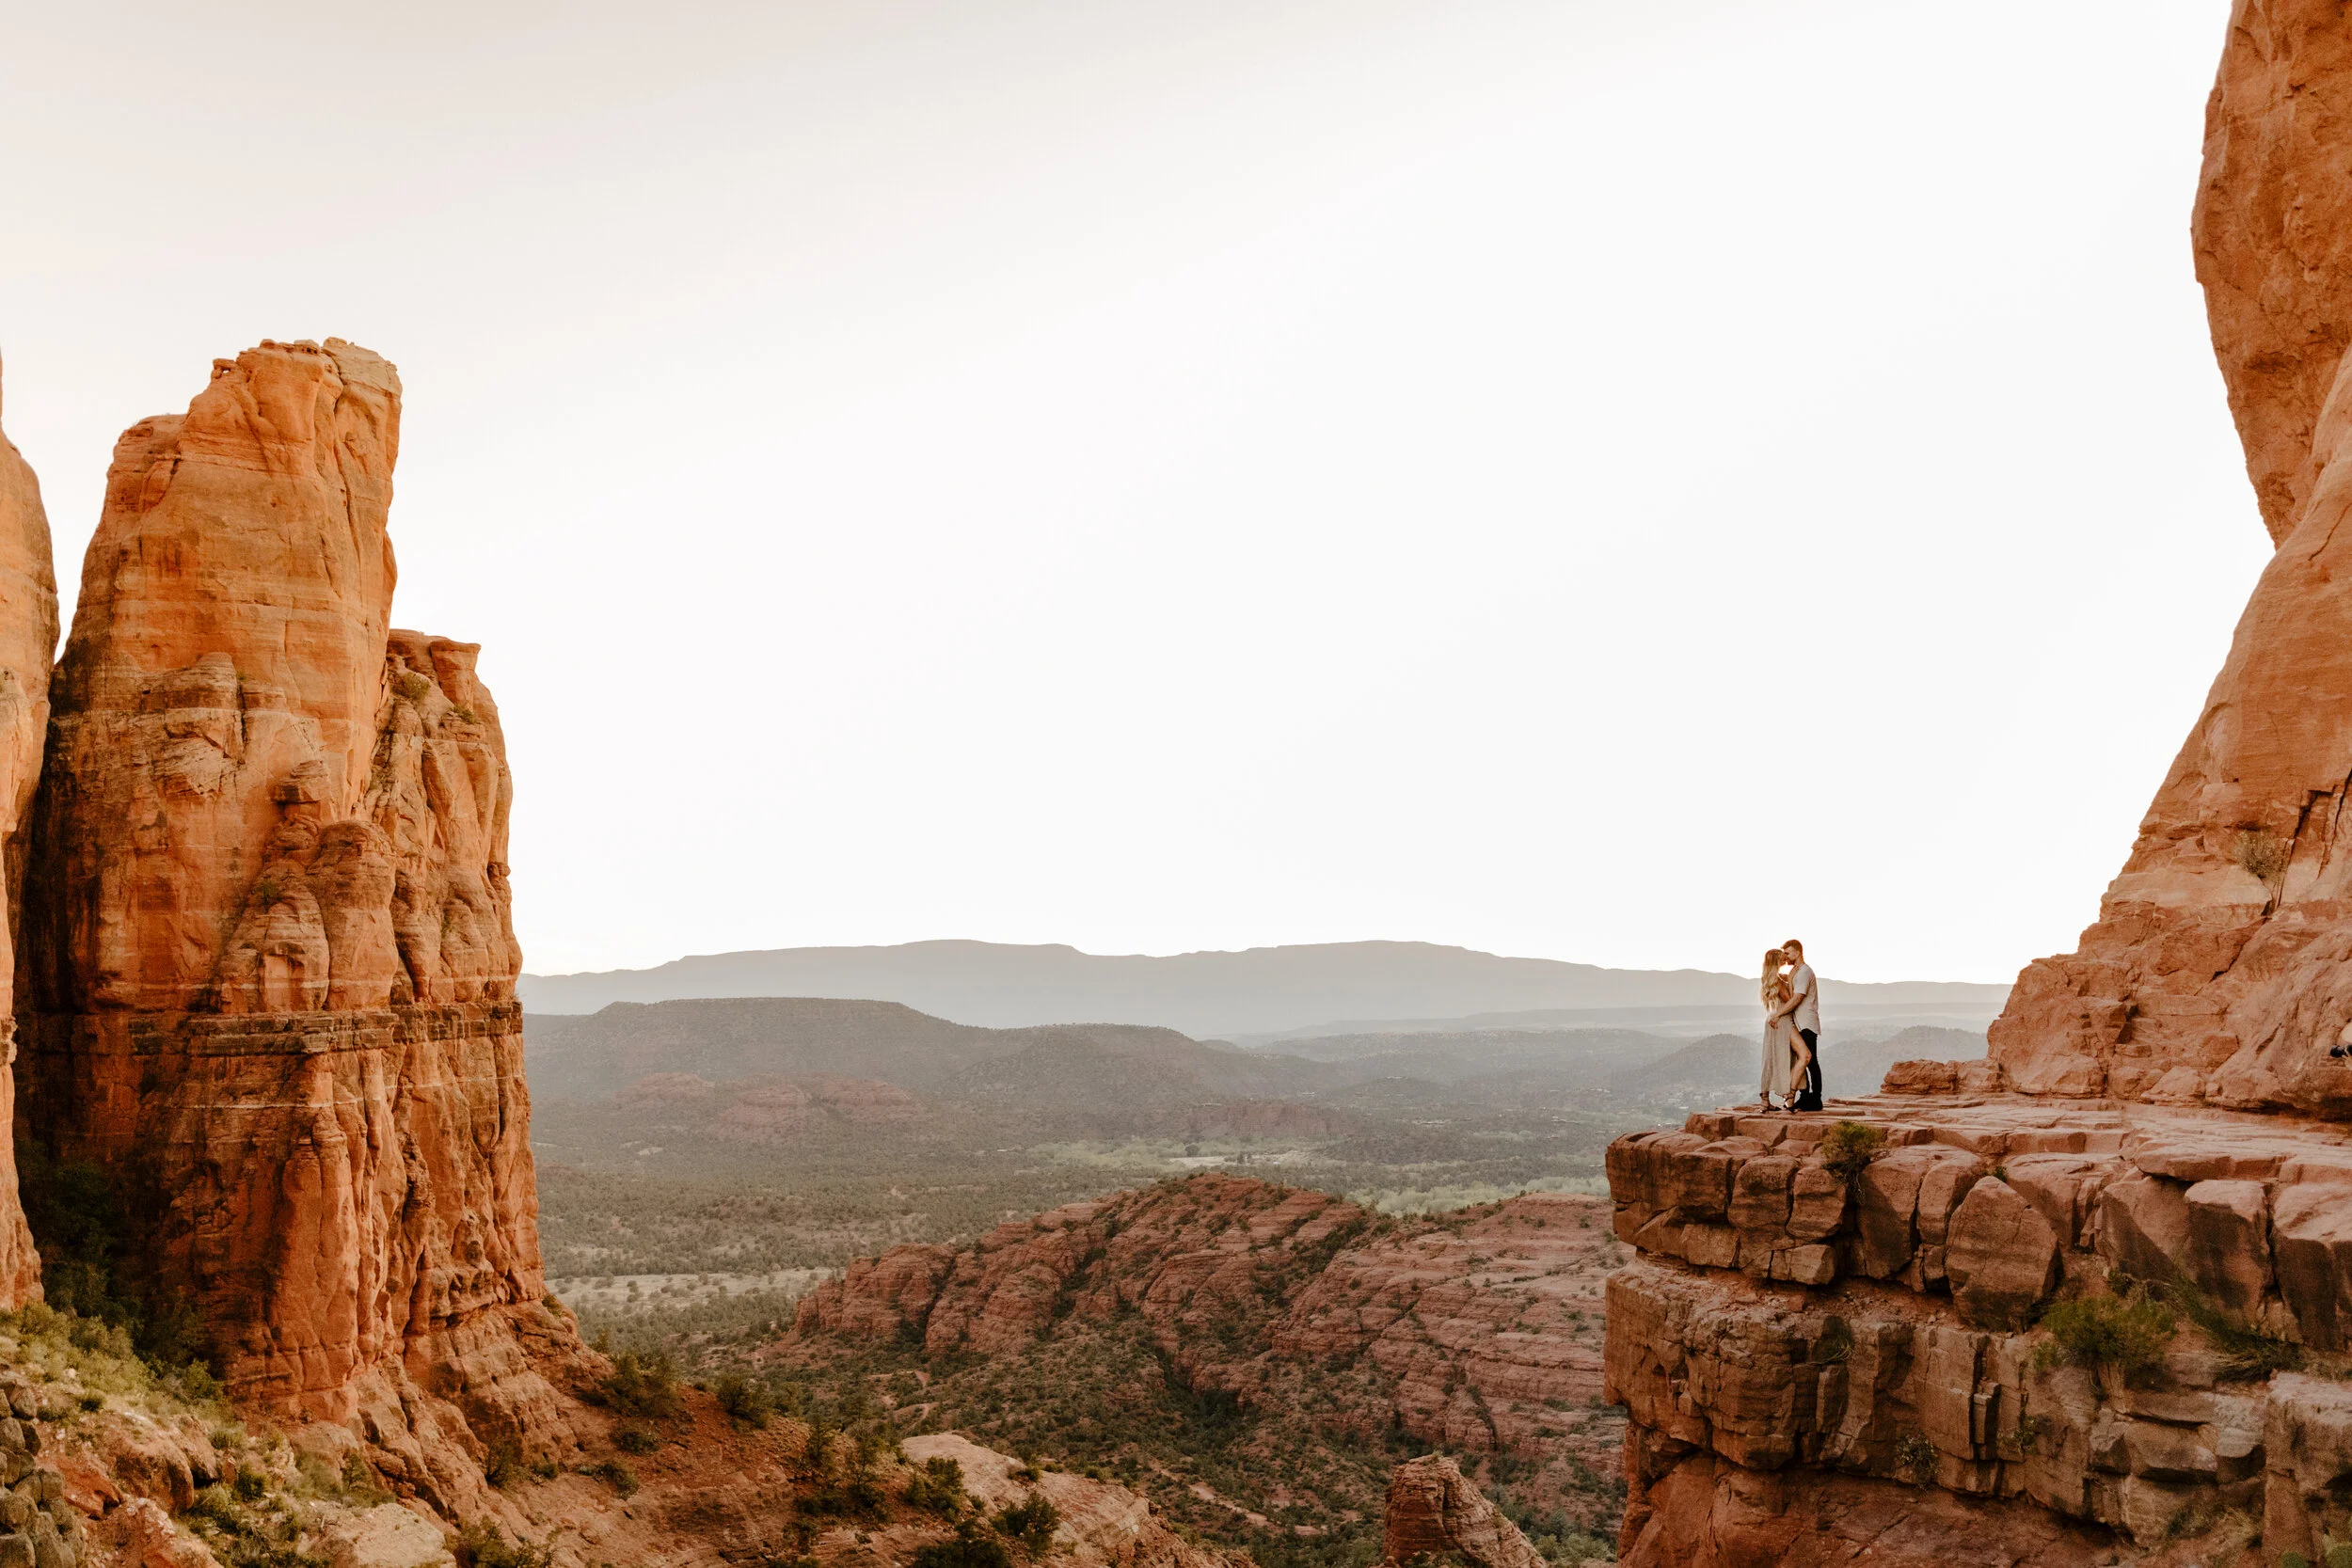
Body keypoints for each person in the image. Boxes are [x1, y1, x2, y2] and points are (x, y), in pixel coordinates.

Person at [1778, 937, 1822, 1111]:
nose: (1786, 957)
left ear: (1798, 951)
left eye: (1788, 953)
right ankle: (1805, 1096)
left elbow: (1797, 998)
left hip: (1807, 1023)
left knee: (1811, 1061)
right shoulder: (1795, 971)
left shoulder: (1804, 971)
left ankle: (1816, 1099)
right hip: (1799, 1022)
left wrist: (1779, 1014)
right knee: (1802, 1061)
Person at [1758, 947, 1796, 1111]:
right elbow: (1790, 1000)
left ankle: (1765, 1100)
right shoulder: (1778, 981)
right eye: (1782, 957)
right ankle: (1788, 1095)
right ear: (1776, 961)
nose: (1785, 960)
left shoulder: (1768, 978)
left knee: (1769, 1059)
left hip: (1771, 1019)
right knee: (1785, 1056)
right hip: (1782, 1020)